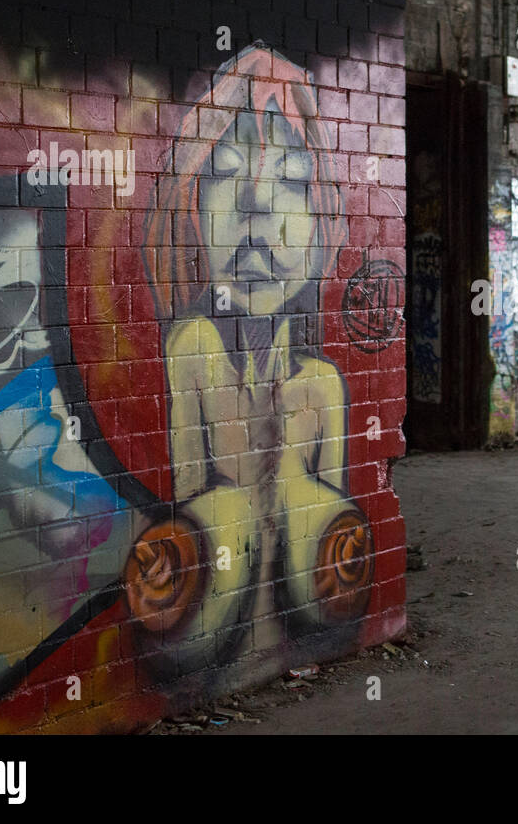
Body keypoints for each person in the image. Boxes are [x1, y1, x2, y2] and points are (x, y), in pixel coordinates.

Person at [130, 44, 372, 672]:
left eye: (293, 180)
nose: (257, 203)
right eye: (228, 170)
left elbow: (337, 551)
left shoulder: (322, 386)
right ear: (191, 203)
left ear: (323, 228)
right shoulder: (192, 350)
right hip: (215, 624)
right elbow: (184, 508)